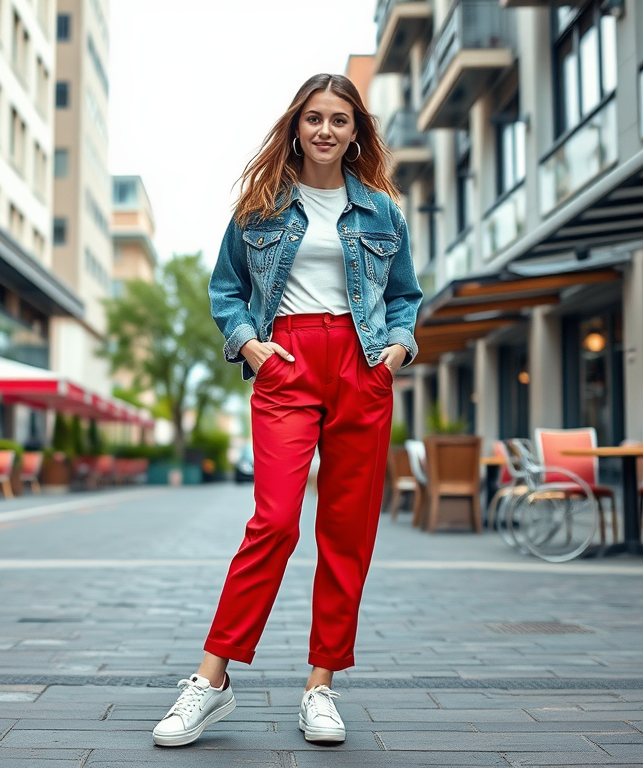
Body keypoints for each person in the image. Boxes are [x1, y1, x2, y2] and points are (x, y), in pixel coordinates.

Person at [152, 73, 422, 748]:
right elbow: (226, 290)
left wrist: (397, 349)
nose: (325, 130)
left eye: (339, 119)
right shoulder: (262, 207)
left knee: (347, 530)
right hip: (289, 362)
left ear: (356, 131)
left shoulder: (383, 211)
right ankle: (211, 682)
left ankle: (321, 687)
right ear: (295, 128)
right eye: (313, 118)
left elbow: (405, 296)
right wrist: (251, 346)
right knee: (273, 521)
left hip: (361, 366)